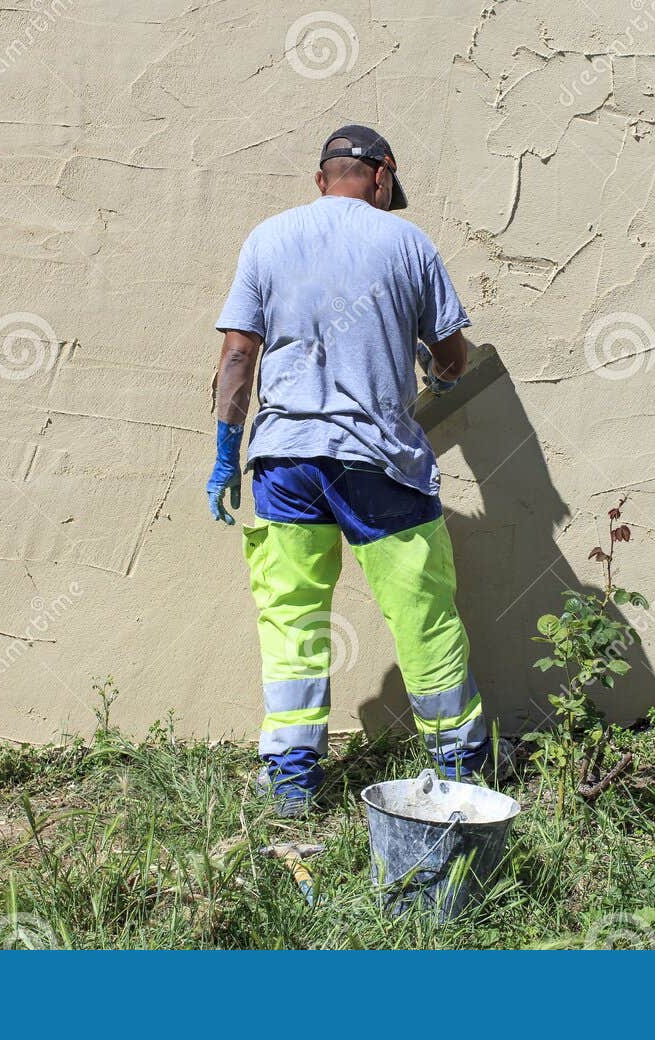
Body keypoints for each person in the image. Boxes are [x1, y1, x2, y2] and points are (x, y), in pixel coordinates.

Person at [209, 124, 507, 816]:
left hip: (284, 463)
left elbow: (235, 360)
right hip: (380, 465)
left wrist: (227, 454)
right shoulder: (407, 243)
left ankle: (291, 779)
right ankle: (461, 767)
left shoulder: (267, 239)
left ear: (322, 179)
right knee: (423, 617)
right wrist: (440, 366)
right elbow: (452, 355)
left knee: (292, 620)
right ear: (382, 177)